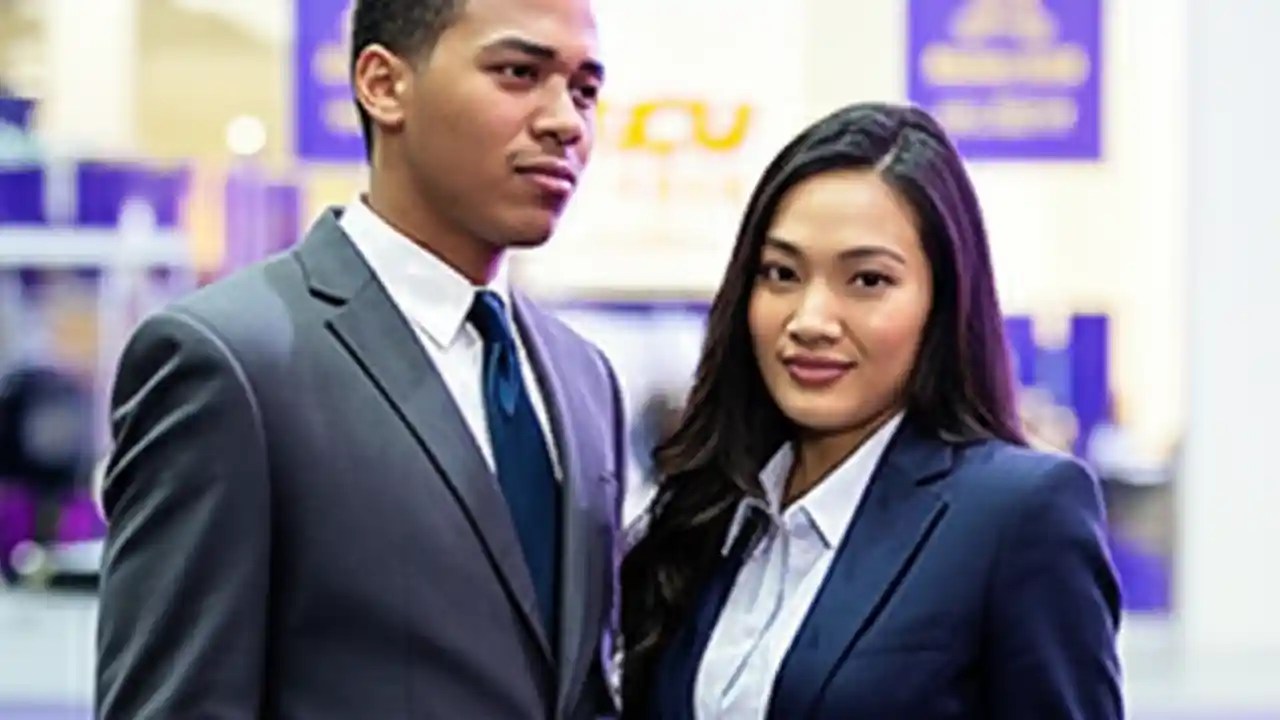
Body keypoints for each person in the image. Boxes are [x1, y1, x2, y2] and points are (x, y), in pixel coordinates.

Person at [95, 0, 624, 718]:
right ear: (382, 85)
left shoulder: (583, 379)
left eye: (584, 90)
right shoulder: (232, 364)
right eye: (518, 73)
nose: (565, 120)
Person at [620, 102, 1123, 719]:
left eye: (867, 281)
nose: (809, 321)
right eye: (781, 273)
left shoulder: (1019, 516)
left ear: (941, 302)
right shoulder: (709, 511)